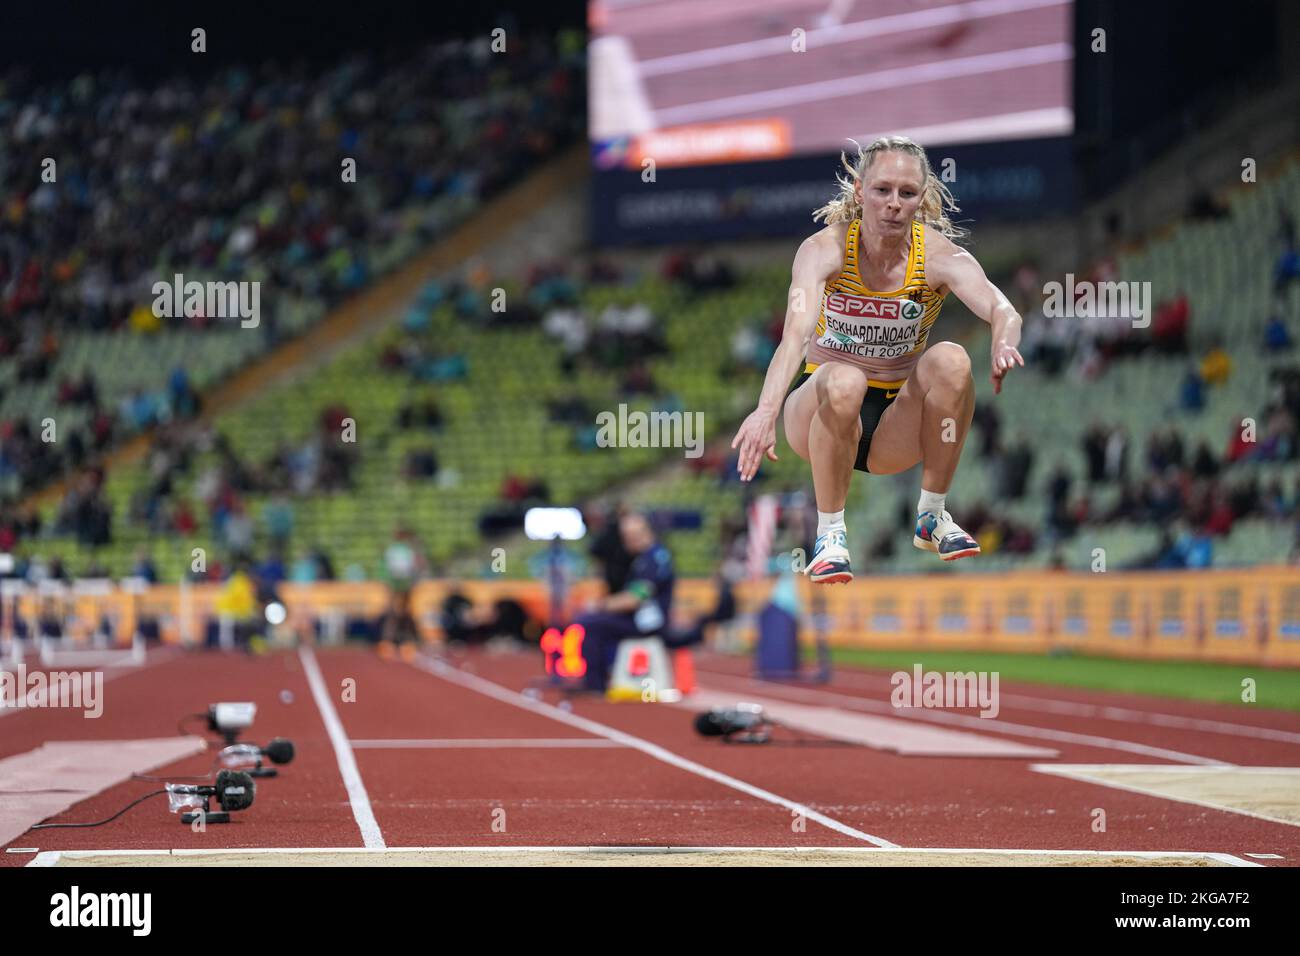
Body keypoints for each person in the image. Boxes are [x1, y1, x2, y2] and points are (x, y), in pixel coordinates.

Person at [730, 135, 1024, 582]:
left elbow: (1002, 308)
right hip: (817, 408)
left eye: (906, 194)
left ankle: (932, 514)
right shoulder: (823, 249)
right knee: (846, 379)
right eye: (882, 190)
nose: (893, 204)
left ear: (920, 198)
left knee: (952, 359)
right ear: (859, 191)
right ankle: (830, 536)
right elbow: (794, 336)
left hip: (893, 425)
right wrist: (764, 412)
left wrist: (1004, 342)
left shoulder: (940, 257)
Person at [574, 511, 675, 693]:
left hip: (647, 624)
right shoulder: (642, 558)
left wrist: (600, 605)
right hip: (639, 620)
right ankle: (601, 678)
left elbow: (635, 599)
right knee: (594, 624)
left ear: (645, 533)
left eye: (631, 536)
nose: (627, 541)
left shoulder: (654, 559)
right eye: (625, 537)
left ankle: (595, 684)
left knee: (588, 622)